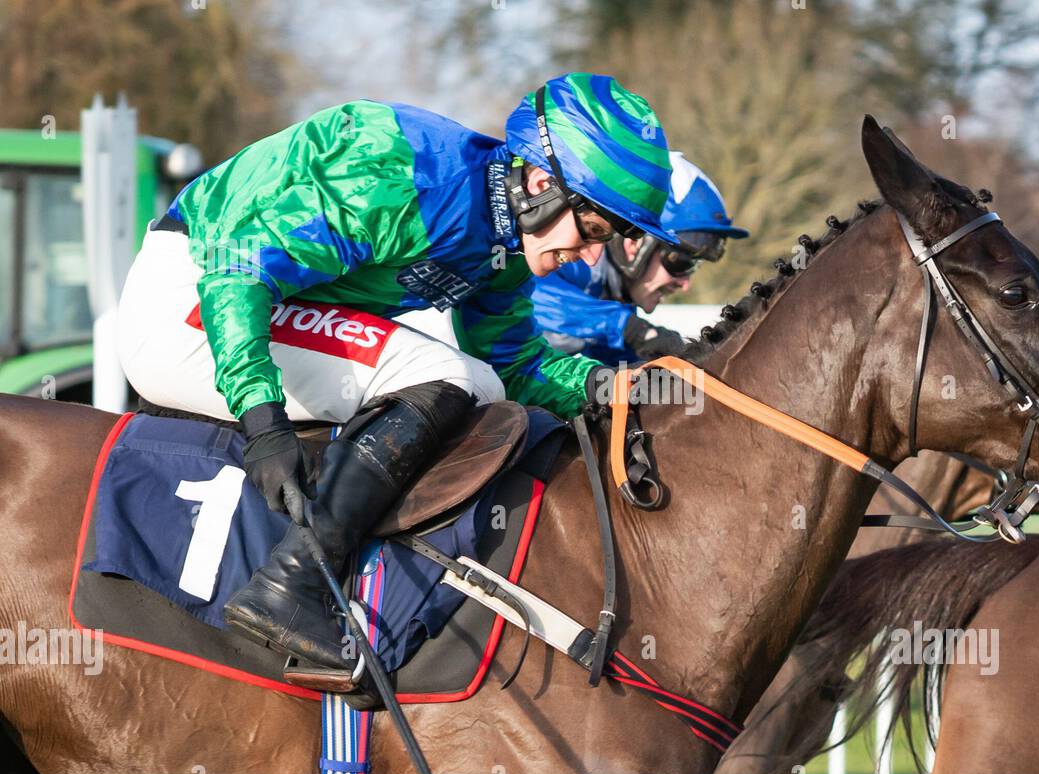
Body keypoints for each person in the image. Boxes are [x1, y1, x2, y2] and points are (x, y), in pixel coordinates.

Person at [115, 73, 677, 672]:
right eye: (594, 229)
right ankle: (294, 583)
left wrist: (617, 387)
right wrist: (263, 419)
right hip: (193, 295)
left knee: (476, 380)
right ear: (540, 183)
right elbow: (236, 266)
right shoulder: (400, 168)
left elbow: (514, 366)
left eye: (612, 238)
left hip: (246, 305)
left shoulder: (505, 250)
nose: (593, 255)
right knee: (446, 372)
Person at [530, 152, 748, 364]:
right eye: (682, 263)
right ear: (635, 244)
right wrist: (633, 330)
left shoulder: (613, 300)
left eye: (693, 268)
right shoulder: (576, 261)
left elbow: (614, 364)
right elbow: (532, 295)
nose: (685, 284)